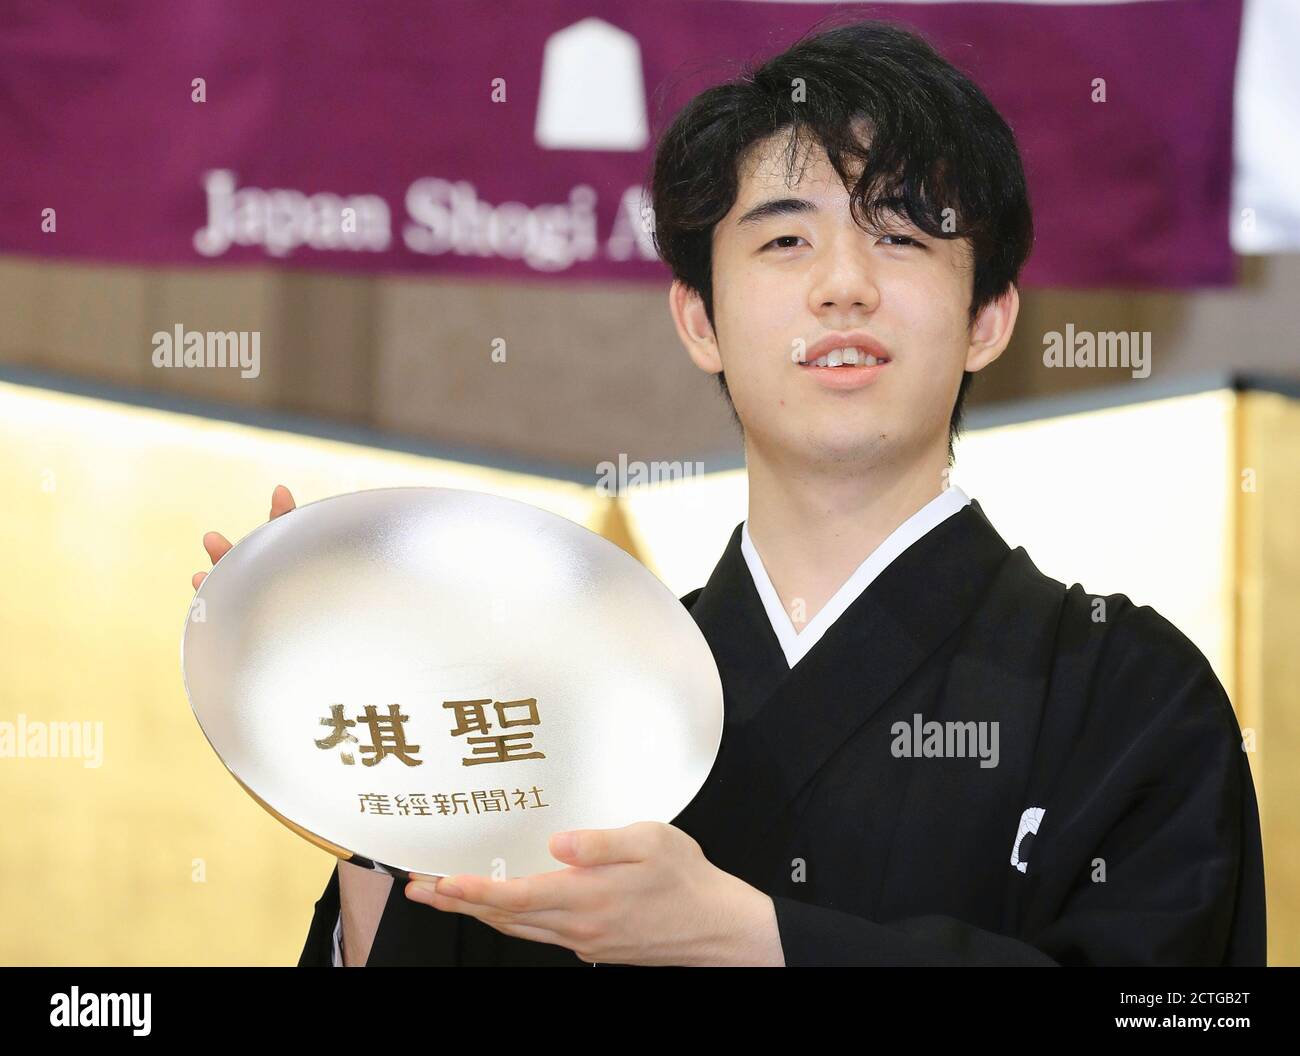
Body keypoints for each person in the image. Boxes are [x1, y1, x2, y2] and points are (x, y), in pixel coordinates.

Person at [194, 20, 1266, 966]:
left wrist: (750, 942)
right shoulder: (572, 697)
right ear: (698, 320)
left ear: (988, 315)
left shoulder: (1127, 695)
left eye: (899, 235)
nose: (842, 284)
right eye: (786, 238)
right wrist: (375, 803)